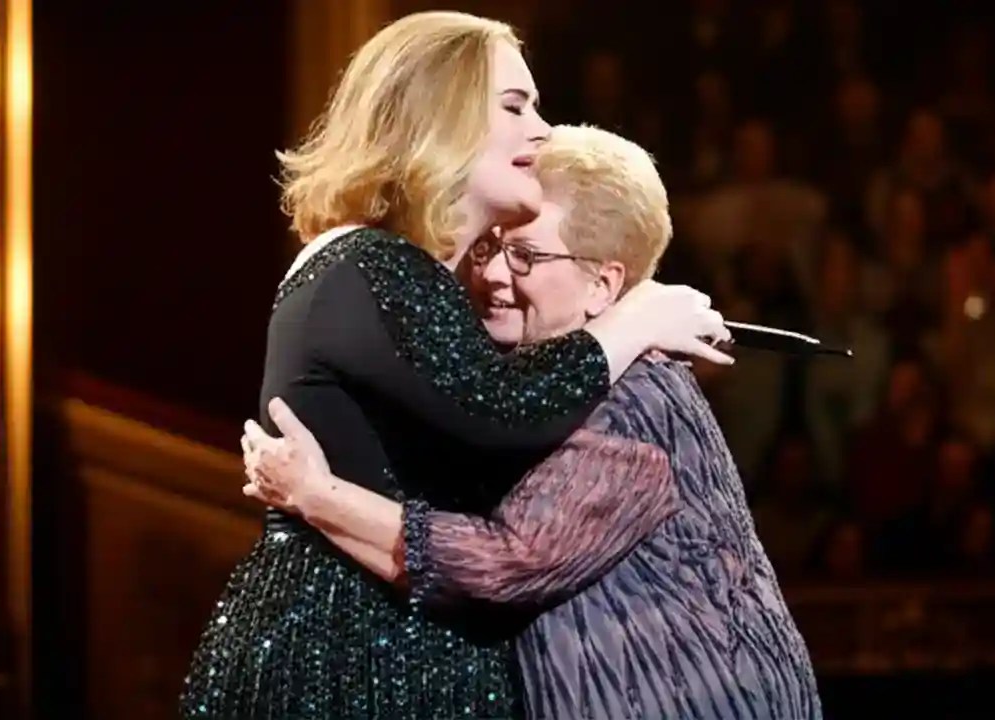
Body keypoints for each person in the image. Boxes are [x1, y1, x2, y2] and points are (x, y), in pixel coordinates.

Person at [179, 12, 733, 720]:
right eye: (514, 106)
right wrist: (636, 318)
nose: (540, 129)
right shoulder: (371, 263)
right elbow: (503, 412)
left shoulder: (401, 274)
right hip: (350, 665)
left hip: (387, 657)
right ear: (439, 115)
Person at [243, 125, 822, 718]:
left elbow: (505, 563)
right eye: (490, 247)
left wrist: (315, 495)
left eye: (525, 255)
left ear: (604, 284)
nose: (492, 274)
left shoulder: (627, 400)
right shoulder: (542, 385)